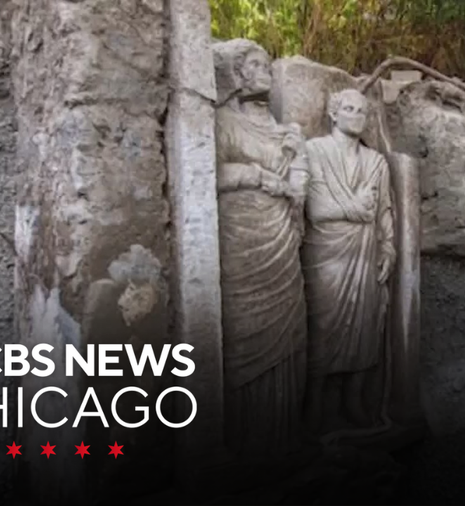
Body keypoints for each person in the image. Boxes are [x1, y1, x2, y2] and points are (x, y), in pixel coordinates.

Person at [213, 39, 309, 457]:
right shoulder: (220, 122)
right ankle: (244, 444)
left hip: (283, 239)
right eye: (255, 64)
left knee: (289, 330)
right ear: (235, 75)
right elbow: (209, 173)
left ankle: (282, 438)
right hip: (242, 239)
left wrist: (296, 159)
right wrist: (258, 175)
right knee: (244, 332)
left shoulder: (283, 129)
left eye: (268, 64)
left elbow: (300, 187)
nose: (265, 70)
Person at [301, 88, 396, 431]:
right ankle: (314, 403)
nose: (357, 115)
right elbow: (316, 210)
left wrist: (388, 248)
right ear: (334, 113)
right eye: (349, 109)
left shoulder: (376, 162)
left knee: (365, 324)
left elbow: (383, 210)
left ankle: (353, 400)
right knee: (322, 325)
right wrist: (355, 208)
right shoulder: (314, 151)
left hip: (365, 251)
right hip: (326, 254)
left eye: (362, 111)